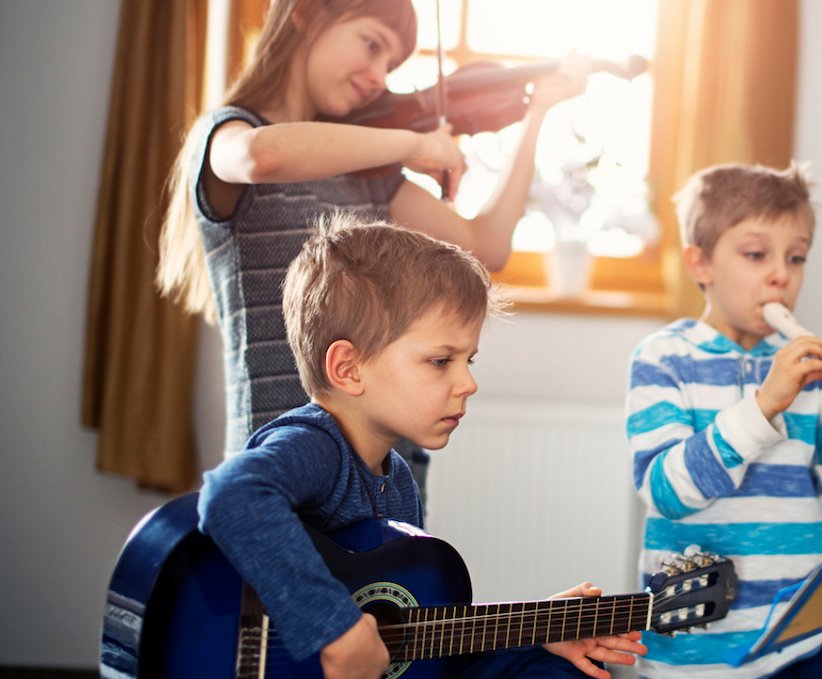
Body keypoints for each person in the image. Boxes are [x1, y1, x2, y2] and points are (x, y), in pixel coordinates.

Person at [199, 215, 645, 679]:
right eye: (440, 361)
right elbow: (230, 494)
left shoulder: (398, 479)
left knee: (566, 669)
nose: (468, 383)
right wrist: (334, 627)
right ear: (348, 369)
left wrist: (537, 625)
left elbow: (413, 626)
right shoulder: (313, 444)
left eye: (469, 361)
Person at [157, 0, 588, 456]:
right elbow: (261, 155)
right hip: (280, 471)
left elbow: (488, 246)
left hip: (386, 473)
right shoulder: (228, 134)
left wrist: (537, 112)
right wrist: (414, 143)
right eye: (371, 44)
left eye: (391, 63)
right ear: (306, 13)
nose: (380, 76)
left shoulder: (367, 173)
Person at [624, 162, 822, 679]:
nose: (781, 275)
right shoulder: (663, 359)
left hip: (803, 647)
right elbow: (665, 491)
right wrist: (763, 406)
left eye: (797, 256)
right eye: (757, 255)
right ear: (701, 263)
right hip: (697, 657)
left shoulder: (812, 370)